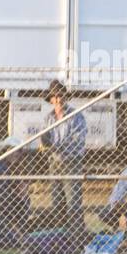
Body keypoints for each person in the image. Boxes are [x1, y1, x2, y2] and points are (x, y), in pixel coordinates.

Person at [38, 79, 88, 234]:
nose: (58, 99)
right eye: (55, 96)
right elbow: (46, 140)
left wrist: (55, 147)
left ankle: (76, 236)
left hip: (71, 163)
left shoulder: (75, 116)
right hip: (54, 163)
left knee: (73, 202)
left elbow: (78, 140)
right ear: (51, 100)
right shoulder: (48, 118)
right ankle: (61, 237)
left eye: (61, 95)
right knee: (57, 201)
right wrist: (45, 145)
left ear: (65, 97)